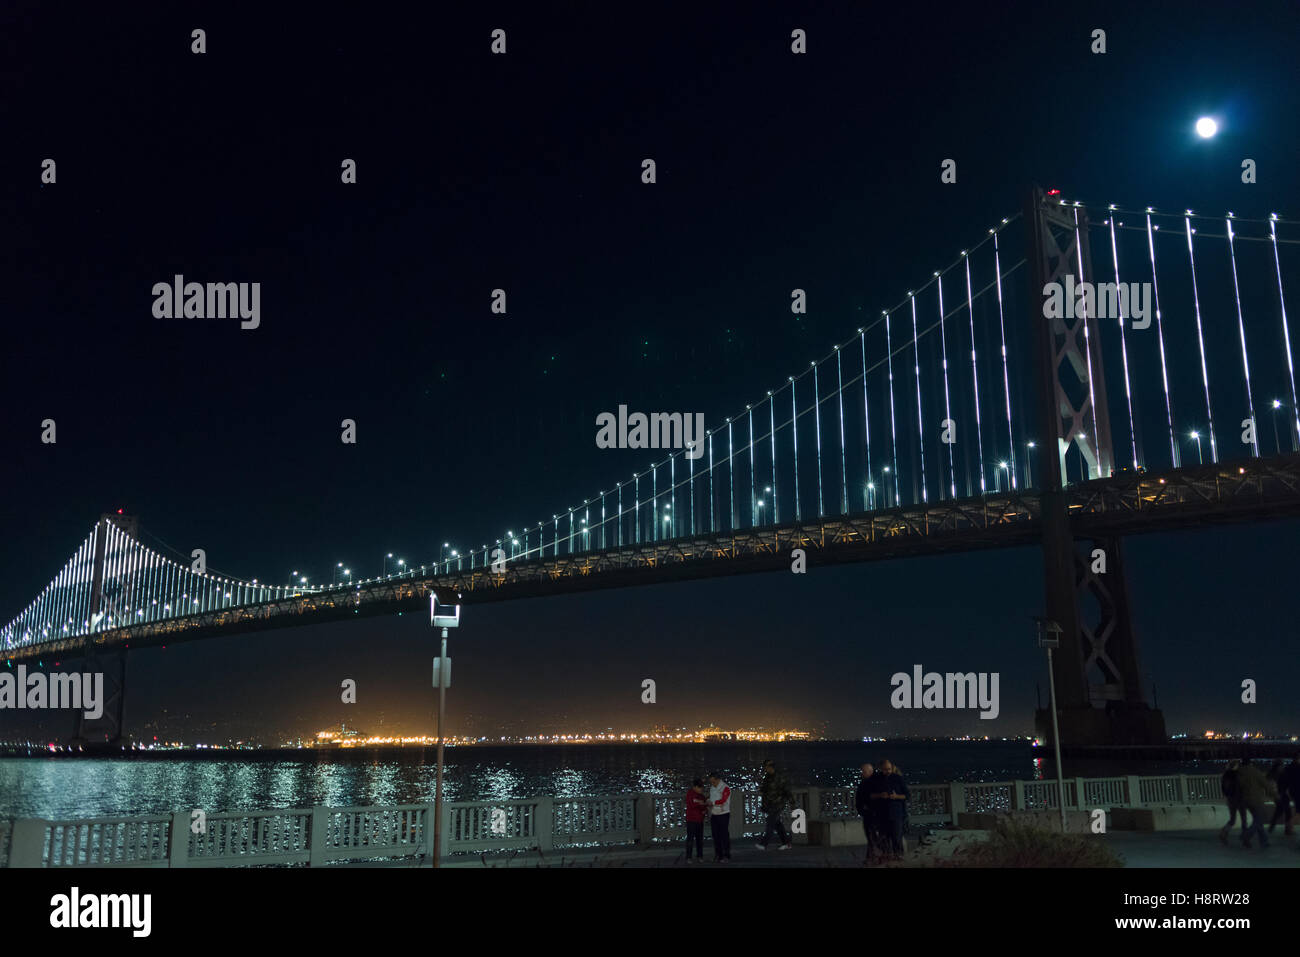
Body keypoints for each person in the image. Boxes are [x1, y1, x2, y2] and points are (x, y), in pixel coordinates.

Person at [1236, 757, 1275, 849]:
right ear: (1251, 763)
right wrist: (1275, 796)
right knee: (1259, 819)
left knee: (1258, 820)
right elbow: (1266, 785)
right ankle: (1246, 835)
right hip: (1255, 800)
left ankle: (1264, 841)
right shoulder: (1255, 772)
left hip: (1243, 800)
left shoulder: (1239, 773)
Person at [875, 758, 909, 860]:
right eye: (885, 769)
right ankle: (887, 858)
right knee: (884, 839)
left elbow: (907, 795)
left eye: (889, 769)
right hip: (882, 814)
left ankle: (899, 858)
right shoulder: (877, 779)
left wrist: (896, 796)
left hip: (896, 814)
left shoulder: (898, 778)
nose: (887, 771)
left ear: (892, 767)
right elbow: (870, 795)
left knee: (897, 839)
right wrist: (880, 795)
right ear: (881, 768)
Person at [756, 759, 793, 850]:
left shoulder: (779, 776)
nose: (765, 769)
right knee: (777, 824)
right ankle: (786, 843)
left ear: (770, 767)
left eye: (766, 767)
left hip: (778, 804)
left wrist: (792, 802)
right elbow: (765, 789)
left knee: (770, 822)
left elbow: (786, 790)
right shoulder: (767, 776)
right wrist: (761, 789)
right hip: (770, 804)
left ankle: (763, 844)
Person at [708, 772, 732, 862]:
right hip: (714, 814)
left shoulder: (725, 788)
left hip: (723, 814)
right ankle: (718, 854)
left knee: (724, 835)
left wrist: (712, 803)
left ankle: (726, 855)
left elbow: (723, 800)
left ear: (718, 779)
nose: (712, 784)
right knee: (715, 835)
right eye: (711, 782)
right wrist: (709, 801)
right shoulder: (712, 787)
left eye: (713, 781)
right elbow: (712, 798)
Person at [855, 763, 876, 863]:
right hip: (868, 814)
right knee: (871, 837)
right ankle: (871, 857)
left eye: (863, 771)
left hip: (873, 814)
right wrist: (862, 811)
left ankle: (871, 857)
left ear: (870, 772)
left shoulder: (875, 783)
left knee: (872, 837)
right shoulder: (863, 783)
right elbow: (859, 800)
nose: (861, 773)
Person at [684, 778, 709, 862]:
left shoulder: (702, 796)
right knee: (690, 840)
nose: (701, 789)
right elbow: (692, 804)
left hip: (700, 820)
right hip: (691, 820)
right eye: (699, 787)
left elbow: (704, 806)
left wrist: (703, 807)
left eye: (702, 787)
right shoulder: (690, 794)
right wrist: (700, 804)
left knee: (699, 840)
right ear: (694, 787)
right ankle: (689, 857)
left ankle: (700, 856)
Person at [1219, 759, 1243, 844]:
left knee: (1232, 819)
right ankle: (1245, 836)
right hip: (1238, 798)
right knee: (1243, 818)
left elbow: (1223, 787)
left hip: (1230, 798)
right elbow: (1240, 786)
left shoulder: (1225, 775)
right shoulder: (1237, 775)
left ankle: (1224, 831)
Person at [1268, 759, 1293, 834]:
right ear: (1279, 766)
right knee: (1286, 812)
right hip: (1282, 795)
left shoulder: (1272, 774)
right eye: (1282, 765)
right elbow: (1284, 785)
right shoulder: (1281, 774)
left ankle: (1272, 826)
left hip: (1278, 795)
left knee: (1280, 811)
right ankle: (1287, 829)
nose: (1283, 766)